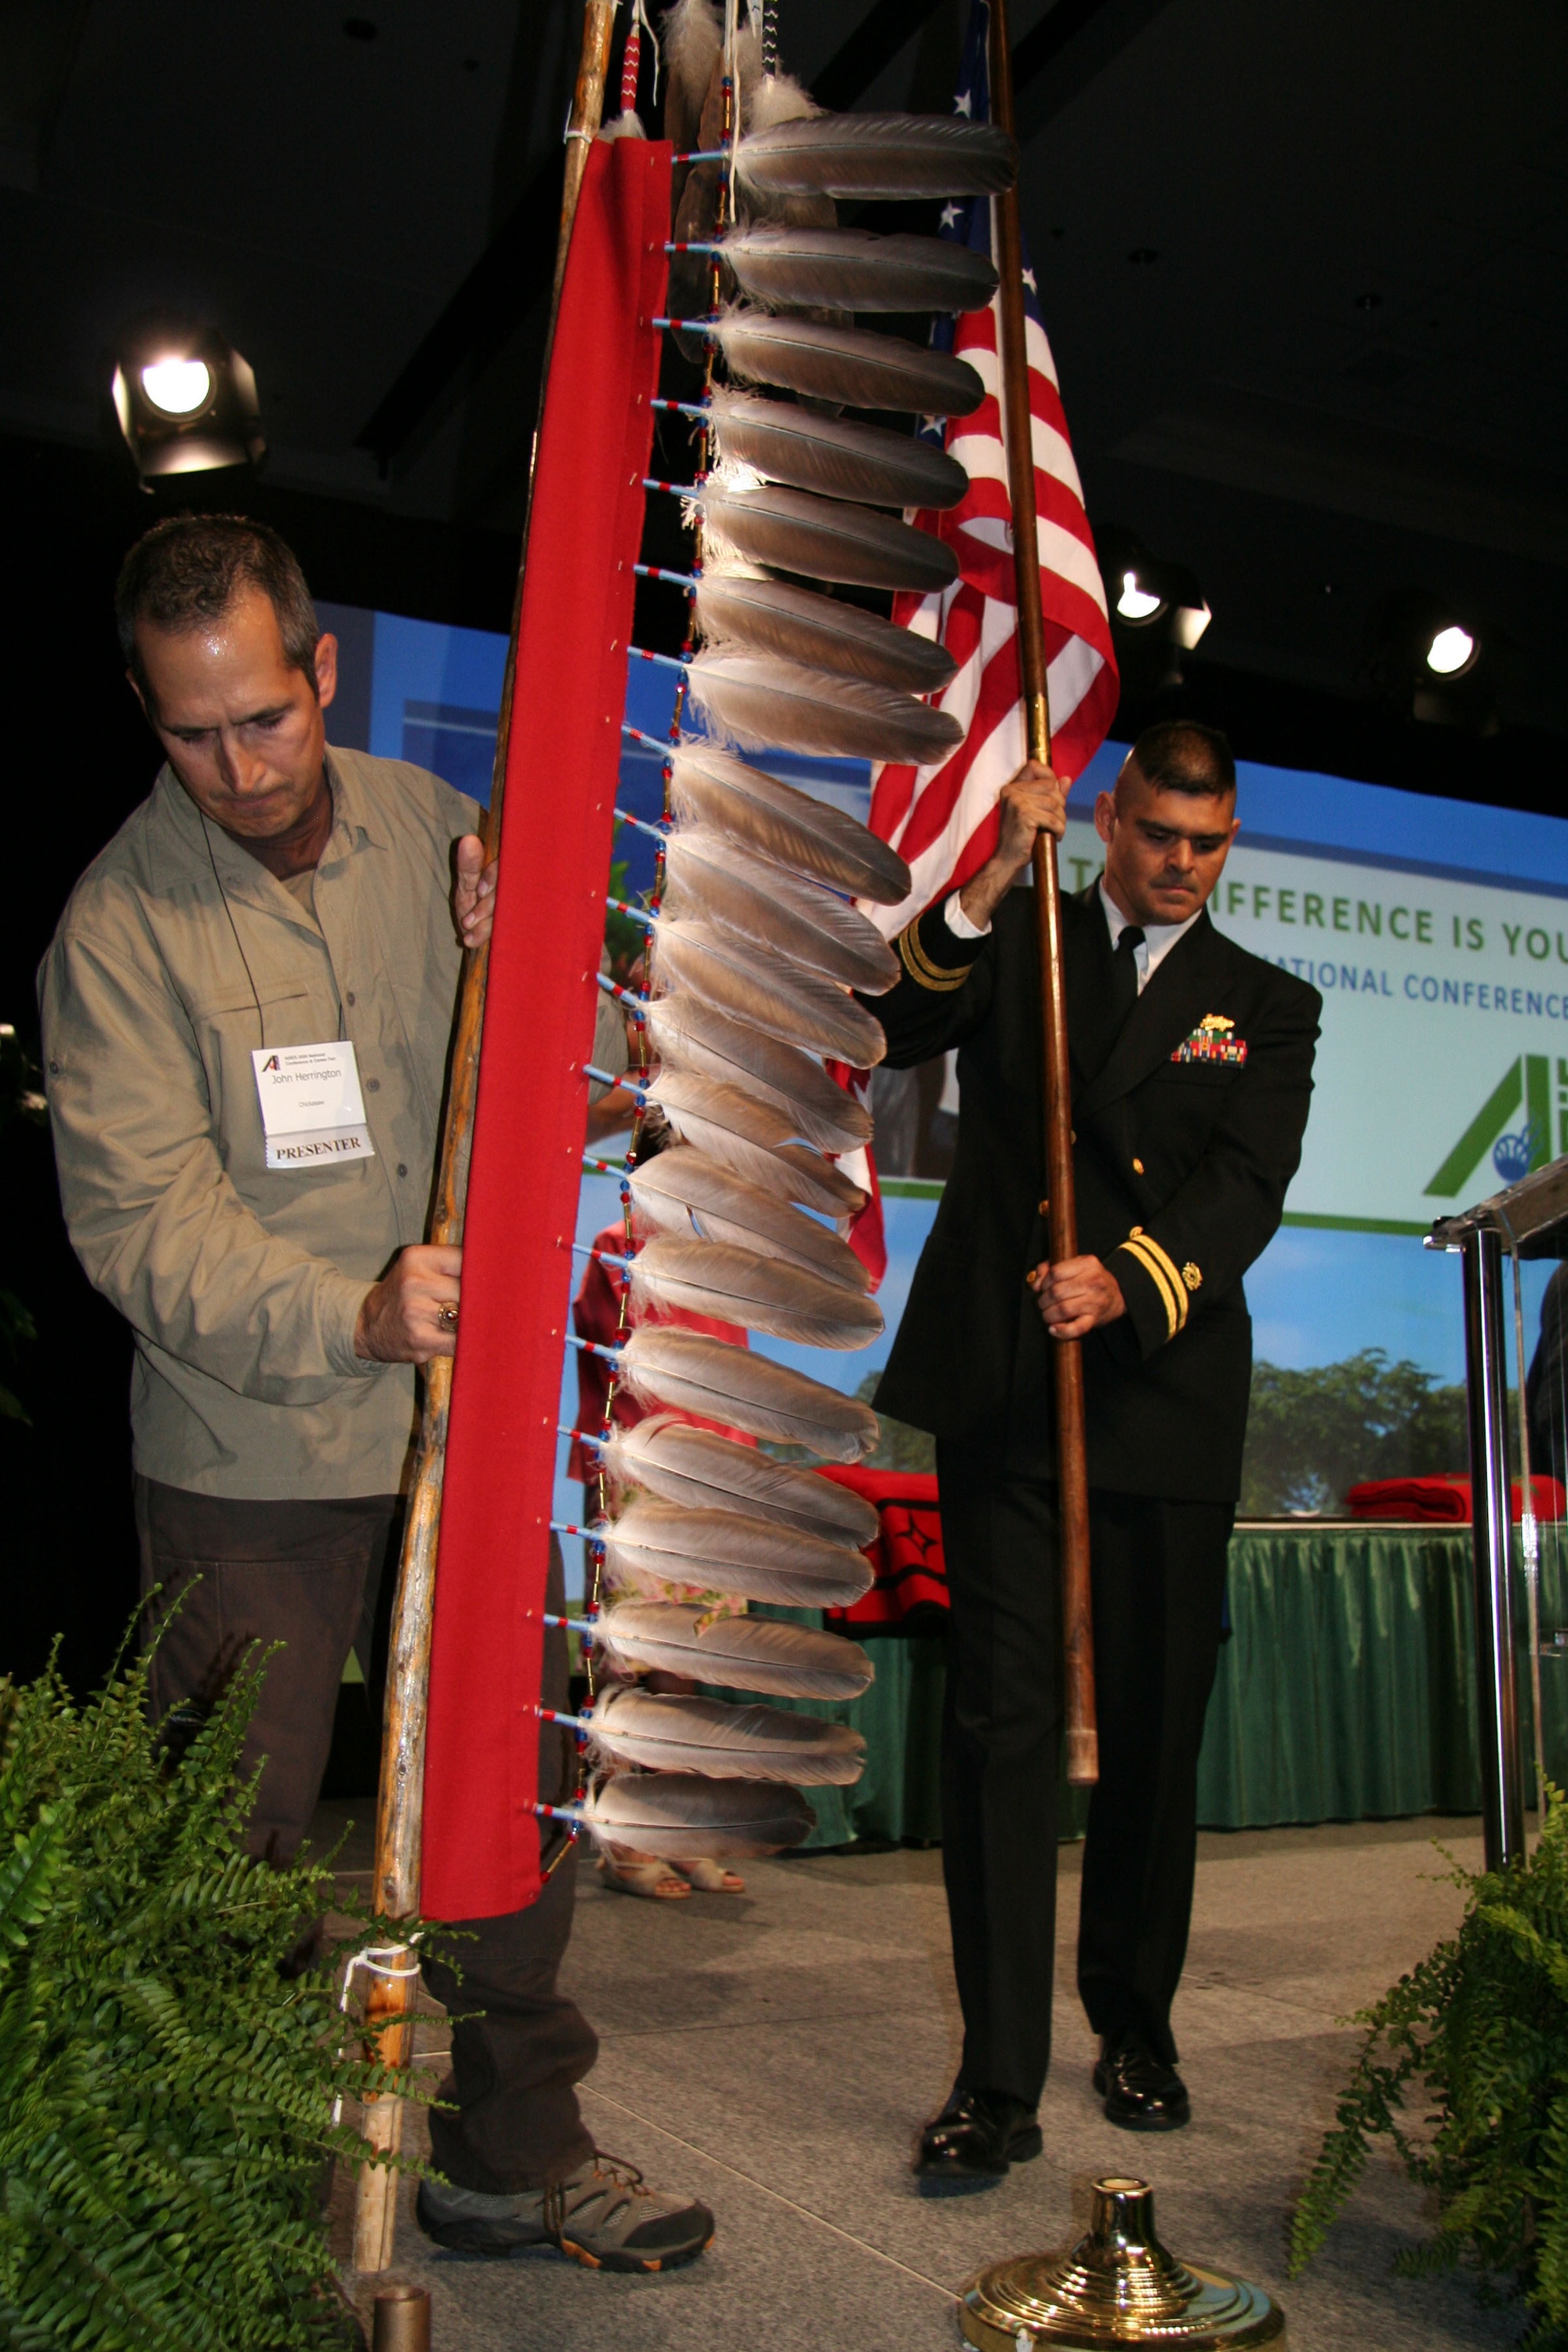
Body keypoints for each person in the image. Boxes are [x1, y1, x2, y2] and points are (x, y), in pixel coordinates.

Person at [38, 514, 713, 2270]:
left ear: (322, 670)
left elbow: (584, 1087)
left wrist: (556, 957)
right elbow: (138, 1222)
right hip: (247, 1455)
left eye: (264, 716)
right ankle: (225, 2191)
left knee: (514, 1792)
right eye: (192, 732)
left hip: (471, 1438)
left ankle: (510, 2152)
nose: (239, 767)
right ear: (145, 708)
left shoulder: (439, 837)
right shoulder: (117, 926)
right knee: (231, 1847)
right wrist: (350, 1308)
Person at [868, 721, 1319, 2180]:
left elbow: (1245, 1187)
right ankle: (995, 2081)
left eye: (1210, 844)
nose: (1182, 866)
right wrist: (995, 871)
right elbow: (890, 1020)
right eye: (1158, 836)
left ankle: (1135, 2024)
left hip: (1162, 1395)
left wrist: (1127, 1274)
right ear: (1108, 818)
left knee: (1149, 1733)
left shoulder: (1268, 1002)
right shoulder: (1030, 932)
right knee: (998, 1736)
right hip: (1009, 1385)